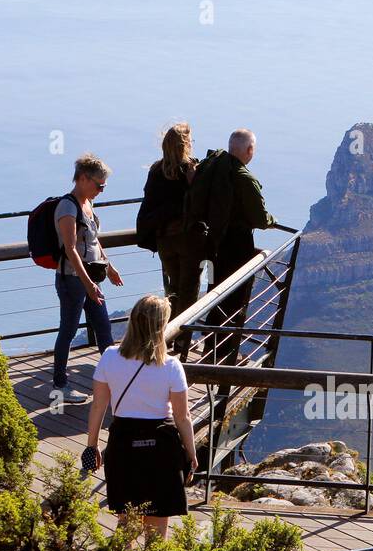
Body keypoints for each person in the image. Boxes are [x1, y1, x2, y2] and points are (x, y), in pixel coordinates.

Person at [84, 295, 198, 538]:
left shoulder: (109, 357)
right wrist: (191, 452)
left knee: (127, 523)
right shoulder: (171, 366)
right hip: (162, 448)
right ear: (161, 327)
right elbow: (182, 417)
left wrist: (92, 446)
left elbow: (98, 407)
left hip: (123, 443)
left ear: (134, 321)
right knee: (157, 531)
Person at [188, 128, 275, 364]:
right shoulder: (244, 178)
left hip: (212, 244)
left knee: (215, 292)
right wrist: (271, 220)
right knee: (235, 299)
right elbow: (259, 218)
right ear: (249, 150)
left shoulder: (214, 167)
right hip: (237, 248)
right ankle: (225, 356)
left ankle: (210, 350)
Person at [51, 153, 124, 404]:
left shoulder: (87, 204)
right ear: (83, 178)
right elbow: (71, 250)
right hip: (73, 280)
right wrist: (88, 284)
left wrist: (109, 267)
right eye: (99, 185)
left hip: (90, 280)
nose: (101, 190)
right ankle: (60, 386)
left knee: (104, 328)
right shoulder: (67, 207)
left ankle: (115, 379)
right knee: (68, 331)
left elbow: (93, 241)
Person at [137, 123, 200, 354]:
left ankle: (166, 337)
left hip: (164, 239)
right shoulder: (189, 169)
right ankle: (183, 340)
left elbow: (150, 200)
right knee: (189, 290)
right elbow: (197, 202)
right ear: (185, 144)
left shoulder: (156, 170)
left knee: (172, 290)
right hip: (187, 239)